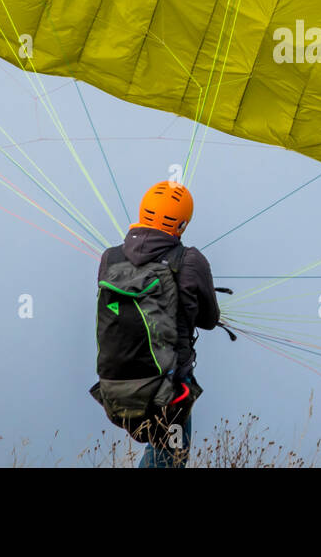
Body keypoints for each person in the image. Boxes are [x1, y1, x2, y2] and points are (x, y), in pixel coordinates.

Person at [90, 181, 219, 468]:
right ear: (182, 225)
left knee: (159, 455)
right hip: (169, 388)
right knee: (169, 459)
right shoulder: (191, 261)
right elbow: (210, 320)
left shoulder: (110, 258)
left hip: (114, 385)